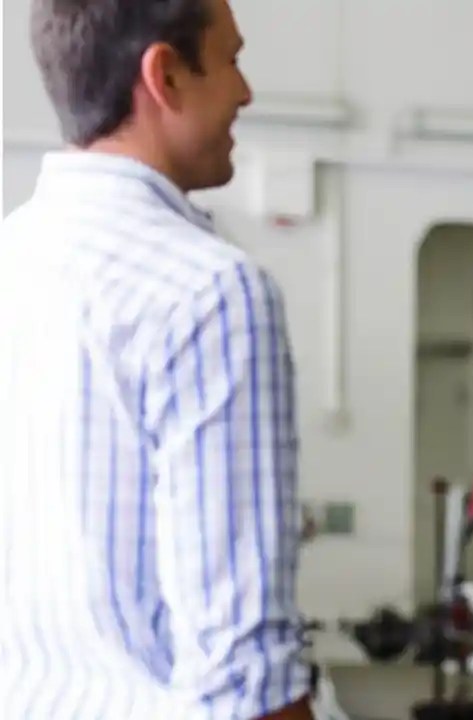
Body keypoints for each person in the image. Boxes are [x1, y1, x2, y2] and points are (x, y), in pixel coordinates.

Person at [0, 1, 314, 718]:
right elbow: (245, 678)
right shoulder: (211, 293)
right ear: (165, 74)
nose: (245, 91)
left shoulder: (10, 260)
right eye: (231, 58)